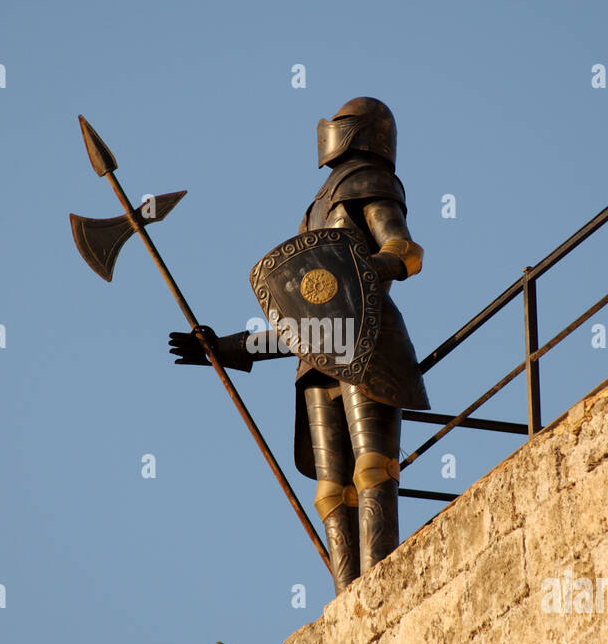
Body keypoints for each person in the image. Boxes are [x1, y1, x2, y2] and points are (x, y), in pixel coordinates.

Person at [169, 97, 429, 594]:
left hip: (368, 342)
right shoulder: (315, 208)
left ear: (357, 132)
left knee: (373, 465)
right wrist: (227, 347)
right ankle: (347, 598)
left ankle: (381, 584)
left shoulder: (368, 182)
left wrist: (355, 278)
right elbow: (304, 318)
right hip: (317, 356)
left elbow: (404, 250)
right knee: (332, 490)